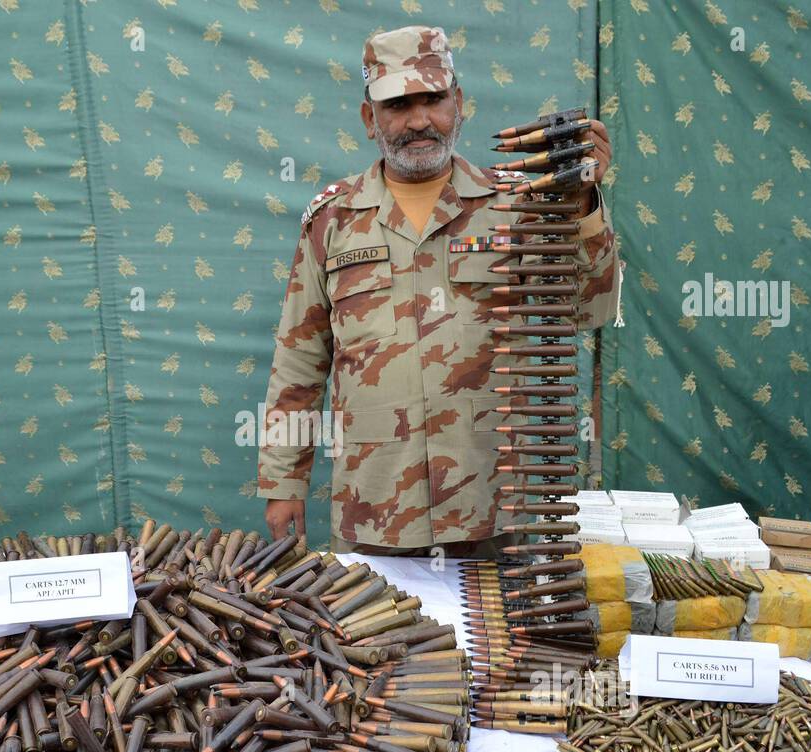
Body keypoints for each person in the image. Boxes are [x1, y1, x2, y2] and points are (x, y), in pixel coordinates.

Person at [257, 25, 620, 557]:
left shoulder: (516, 206)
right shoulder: (332, 220)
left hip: (492, 506)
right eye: (398, 105)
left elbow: (590, 309)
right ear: (370, 119)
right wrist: (283, 482)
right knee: (370, 616)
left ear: (459, 104)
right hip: (375, 510)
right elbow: (299, 363)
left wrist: (583, 204)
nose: (419, 120)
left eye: (433, 99)